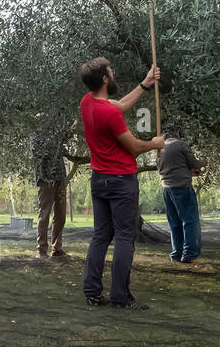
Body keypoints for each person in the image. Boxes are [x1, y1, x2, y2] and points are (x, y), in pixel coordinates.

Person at [78, 57, 163, 308]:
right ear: (105, 79)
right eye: (111, 71)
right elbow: (134, 147)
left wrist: (145, 83)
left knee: (100, 236)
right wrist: (154, 144)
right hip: (121, 181)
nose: (113, 73)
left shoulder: (87, 102)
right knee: (125, 237)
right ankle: (120, 296)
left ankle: (92, 292)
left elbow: (122, 104)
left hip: (99, 180)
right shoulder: (110, 114)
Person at [159, 124, 206, 263]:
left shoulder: (159, 148)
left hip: (166, 188)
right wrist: (204, 161)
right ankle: (189, 254)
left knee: (175, 222)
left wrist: (189, 173)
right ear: (176, 133)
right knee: (190, 221)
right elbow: (194, 163)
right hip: (182, 187)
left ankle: (176, 254)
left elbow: (167, 169)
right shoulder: (180, 145)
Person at [29, 115, 69, 259]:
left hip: (60, 176)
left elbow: (66, 138)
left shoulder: (56, 135)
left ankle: (57, 248)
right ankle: (42, 249)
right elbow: (41, 151)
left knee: (61, 214)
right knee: (45, 213)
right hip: (45, 178)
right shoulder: (35, 137)